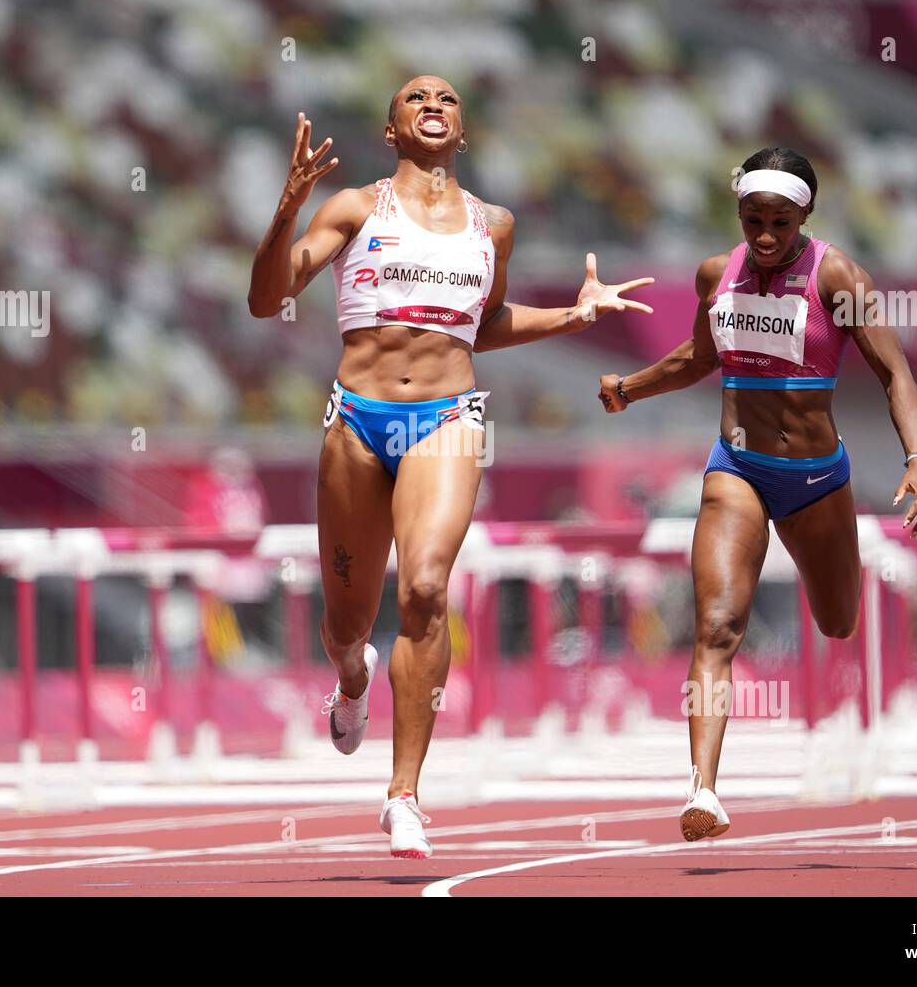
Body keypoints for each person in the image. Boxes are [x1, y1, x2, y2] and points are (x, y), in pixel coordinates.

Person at [249, 76, 653, 857]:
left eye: (447, 98)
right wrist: (287, 206)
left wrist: (575, 313)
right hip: (357, 421)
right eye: (413, 98)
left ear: (461, 132)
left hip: (447, 419)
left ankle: (404, 794)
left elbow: (485, 325)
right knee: (346, 626)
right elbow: (267, 299)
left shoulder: (493, 226)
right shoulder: (353, 208)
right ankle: (352, 679)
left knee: (427, 587)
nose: (432, 102)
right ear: (392, 129)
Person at [597, 147, 917, 842]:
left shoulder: (837, 277)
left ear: (805, 214)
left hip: (817, 481)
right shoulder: (714, 276)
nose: (762, 236)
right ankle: (703, 790)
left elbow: (894, 373)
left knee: (838, 621)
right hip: (738, 469)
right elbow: (699, 358)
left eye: (778, 223)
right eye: (751, 219)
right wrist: (629, 388)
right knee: (717, 625)